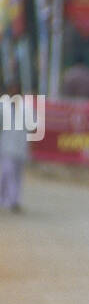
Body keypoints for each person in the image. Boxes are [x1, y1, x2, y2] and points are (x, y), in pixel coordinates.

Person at [0, 83, 30, 211]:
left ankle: (14, 200)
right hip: (6, 146)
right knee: (6, 173)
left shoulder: (25, 108)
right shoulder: (3, 107)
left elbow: (32, 126)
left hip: (20, 146)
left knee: (17, 175)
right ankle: (6, 199)